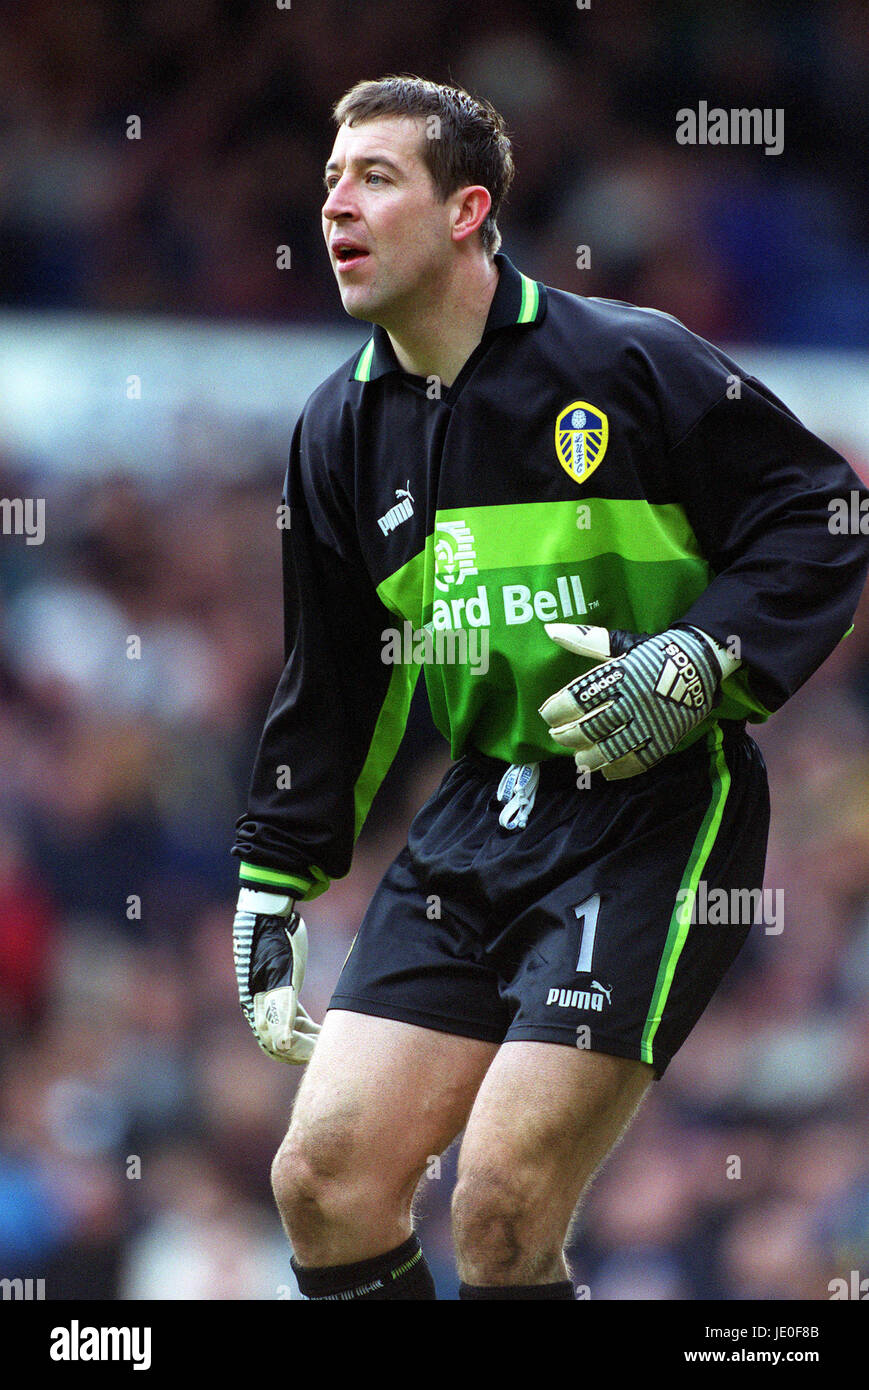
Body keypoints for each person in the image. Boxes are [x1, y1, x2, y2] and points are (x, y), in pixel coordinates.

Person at [231, 75, 868, 1301]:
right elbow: (335, 679)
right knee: (322, 1183)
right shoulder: (335, 432)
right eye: (327, 181)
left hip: (651, 811)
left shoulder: (628, 359)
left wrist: (697, 659)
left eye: (374, 178)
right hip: (477, 816)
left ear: (468, 210)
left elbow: (821, 512)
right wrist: (274, 876)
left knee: (505, 1200)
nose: (334, 207)